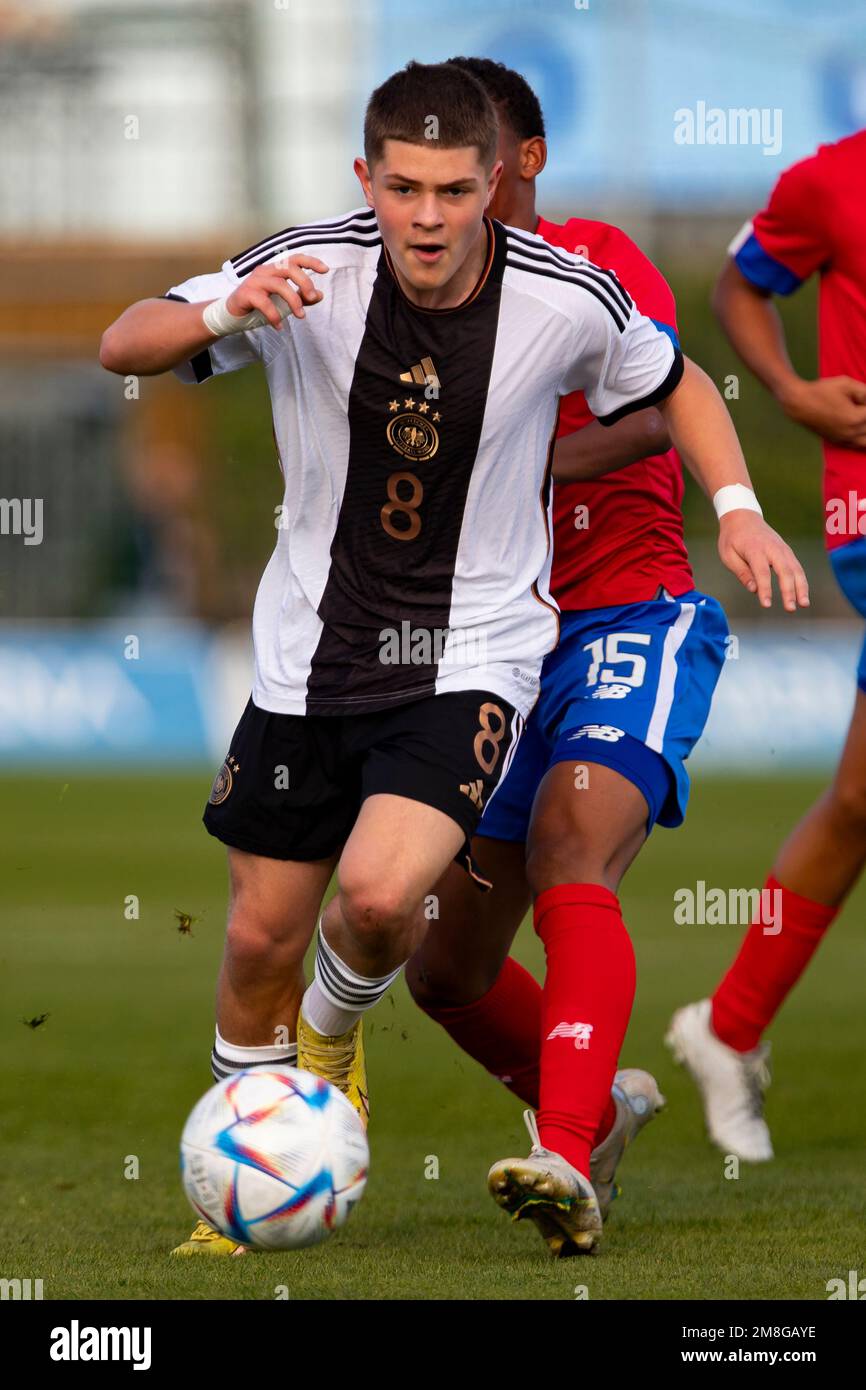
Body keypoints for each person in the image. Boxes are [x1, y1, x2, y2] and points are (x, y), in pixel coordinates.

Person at [99, 59, 803, 1259]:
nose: (426, 215)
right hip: (305, 654)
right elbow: (126, 343)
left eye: (452, 189)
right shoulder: (308, 263)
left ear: (497, 183)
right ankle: (243, 1179)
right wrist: (225, 310)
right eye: (404, 187)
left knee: (378, 900)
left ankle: (330, 1050)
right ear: (365, 177)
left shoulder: (561, 292)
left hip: (471, 653)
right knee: (259, 939)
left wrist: (735, 504)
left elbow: (678, 384)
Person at [404, 57, 810, 1257]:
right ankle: (606, 1103)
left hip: (628, 613)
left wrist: (731, 504)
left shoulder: (591, 257)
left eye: (474, 160)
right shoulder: (412, 300)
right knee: (443, 965)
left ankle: (563, 1152)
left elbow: (653, 405)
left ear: (516, 160)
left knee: (573, 839)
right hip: (495, 639)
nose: (449, 196)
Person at [667, 130, 866, 1163]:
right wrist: (790, 391)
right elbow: (741, 287)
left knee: (856, 803)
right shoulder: (830, 180)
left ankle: (726, 1028)